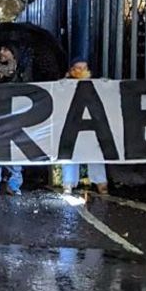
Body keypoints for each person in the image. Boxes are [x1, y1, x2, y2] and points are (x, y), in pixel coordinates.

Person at [61, 60, 109, 195]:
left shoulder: (95, 83)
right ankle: (68, 183)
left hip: (91, 123)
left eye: (84, 68)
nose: (81, 71)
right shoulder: (65, 84)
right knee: (70, 152)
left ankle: (100, 182)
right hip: (73, 122)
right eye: (77, 68)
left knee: (95, 152)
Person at [0, 43, 25, 197]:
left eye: (5, 49)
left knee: (15, 151)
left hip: (16, 116)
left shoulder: (22, 71)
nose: (1, 52)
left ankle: (14, 183)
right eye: (1, 49)